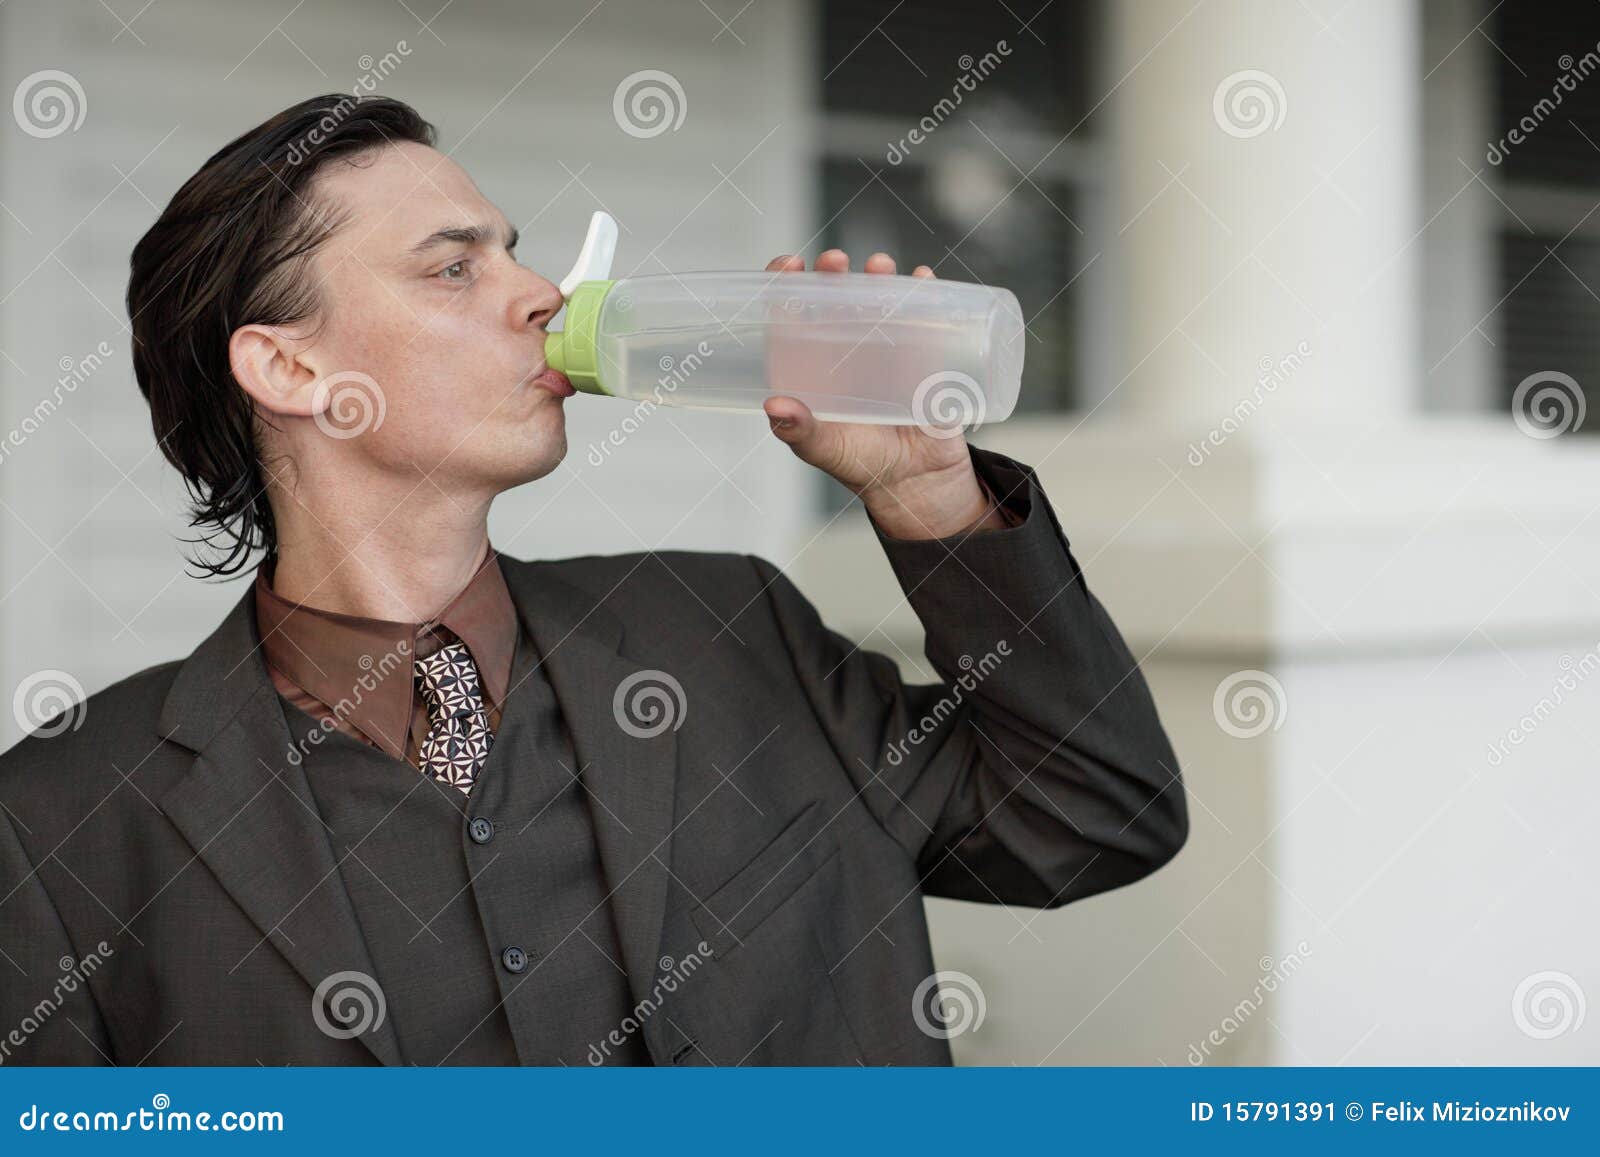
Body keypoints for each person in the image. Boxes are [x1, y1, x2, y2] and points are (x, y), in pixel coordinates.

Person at [0, 94, 1186, 1066]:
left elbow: (1095, 816)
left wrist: (927, 496)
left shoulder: (728, 630)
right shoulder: (61, 820)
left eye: (513, 251)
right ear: (291, 365)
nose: (540, 296)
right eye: (452, 270)